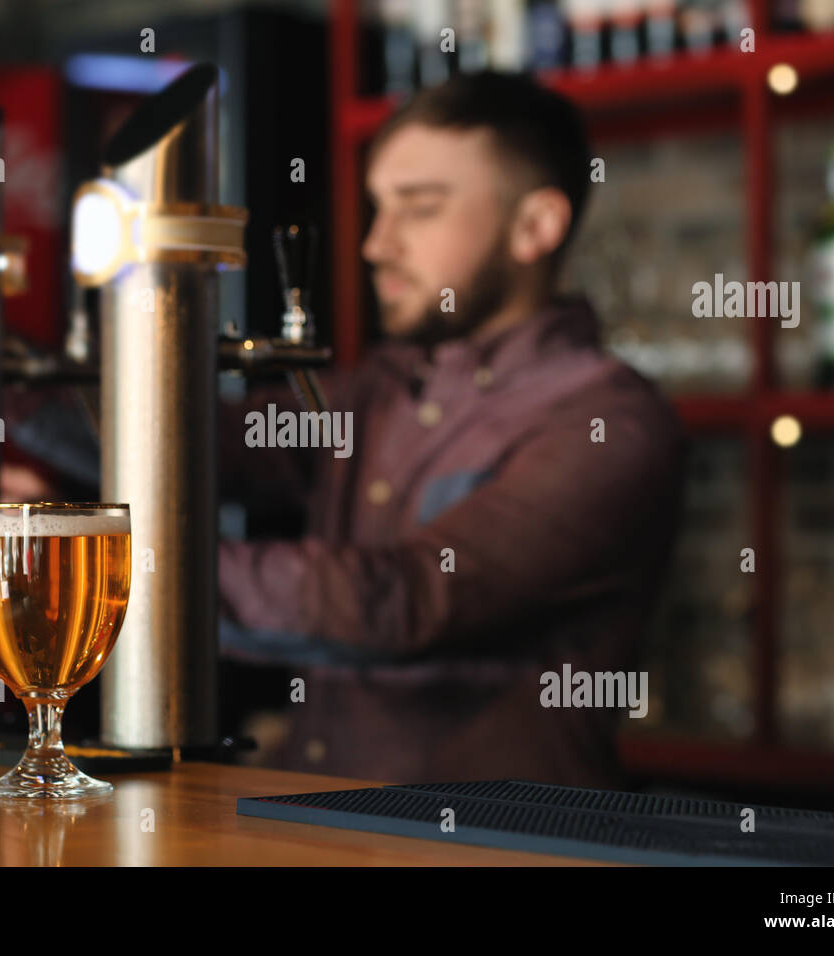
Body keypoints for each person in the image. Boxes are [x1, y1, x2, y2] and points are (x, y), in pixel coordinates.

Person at [214, 70, 685, 788]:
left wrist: (126, 569)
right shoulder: (379, 387)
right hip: (316, 829)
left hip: (494, 848)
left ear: (536, 227)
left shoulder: (608, 421)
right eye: (376, 209)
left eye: (420, 208)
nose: (375, 245)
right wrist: (2, 381)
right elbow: (207, 443)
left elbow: (402, 603)